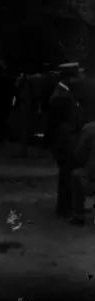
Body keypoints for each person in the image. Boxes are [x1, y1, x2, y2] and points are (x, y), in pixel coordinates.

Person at [45, 64, 81, 218]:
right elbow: (57, 122)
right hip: (64, 140)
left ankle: (66, 205)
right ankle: (65, 207)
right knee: (67, 173)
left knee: (66, 173)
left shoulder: (61, 93)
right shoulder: (62, 96)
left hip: (62, 139)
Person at [70, 119, 95, 226]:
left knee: (76, 176)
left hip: (91, 173)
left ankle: (79, 215)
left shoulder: (89, 129)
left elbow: (80, 153)